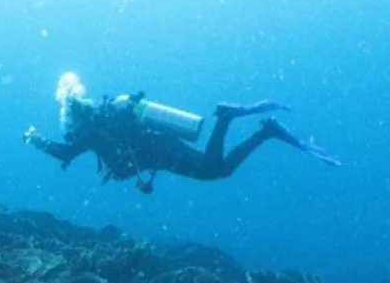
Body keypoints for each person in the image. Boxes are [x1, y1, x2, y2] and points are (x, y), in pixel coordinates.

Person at [25, 73, 338, 193]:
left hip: (161, 151)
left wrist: (34, 139)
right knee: (220, 171)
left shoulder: (91, 132)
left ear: (75, 117)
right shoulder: (105, 119)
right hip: (161, 149)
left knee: (214, 171)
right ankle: (267, 131)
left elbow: (63, 153)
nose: (68, 127)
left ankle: (227, 118)